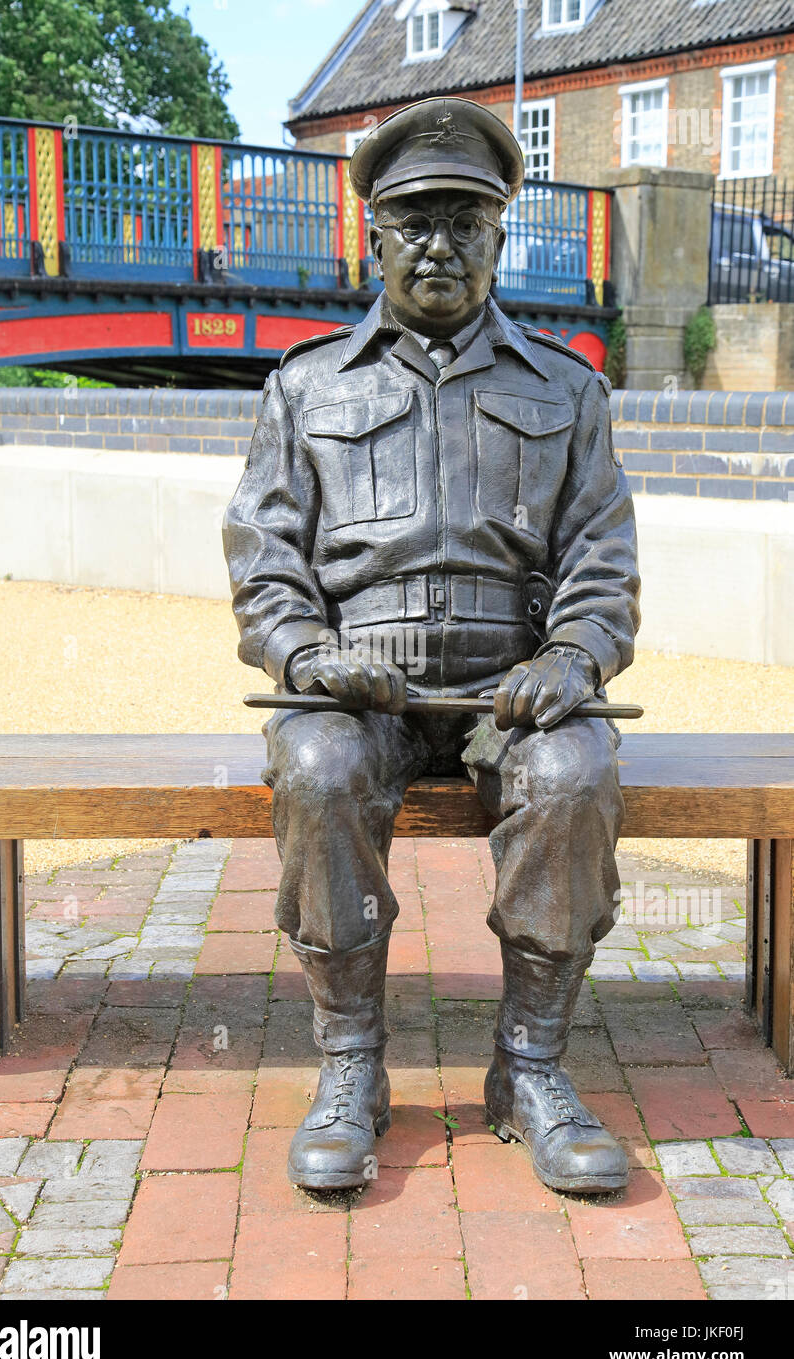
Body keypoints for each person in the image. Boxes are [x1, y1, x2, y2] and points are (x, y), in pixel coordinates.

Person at [223, 97, 641, 1195]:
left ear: (501, 235)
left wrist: (574, 656)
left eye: (465, 220)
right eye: (415, 222)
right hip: (359, 684)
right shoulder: (305, 384)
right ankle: (352, 1066)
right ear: (373, 236)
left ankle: (530, 1068)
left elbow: (600, 555)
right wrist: (305, 654)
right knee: (315, 771)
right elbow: (263, 555)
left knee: (576, 769)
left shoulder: (566, 388)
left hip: (510, 684)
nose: (440, 244)